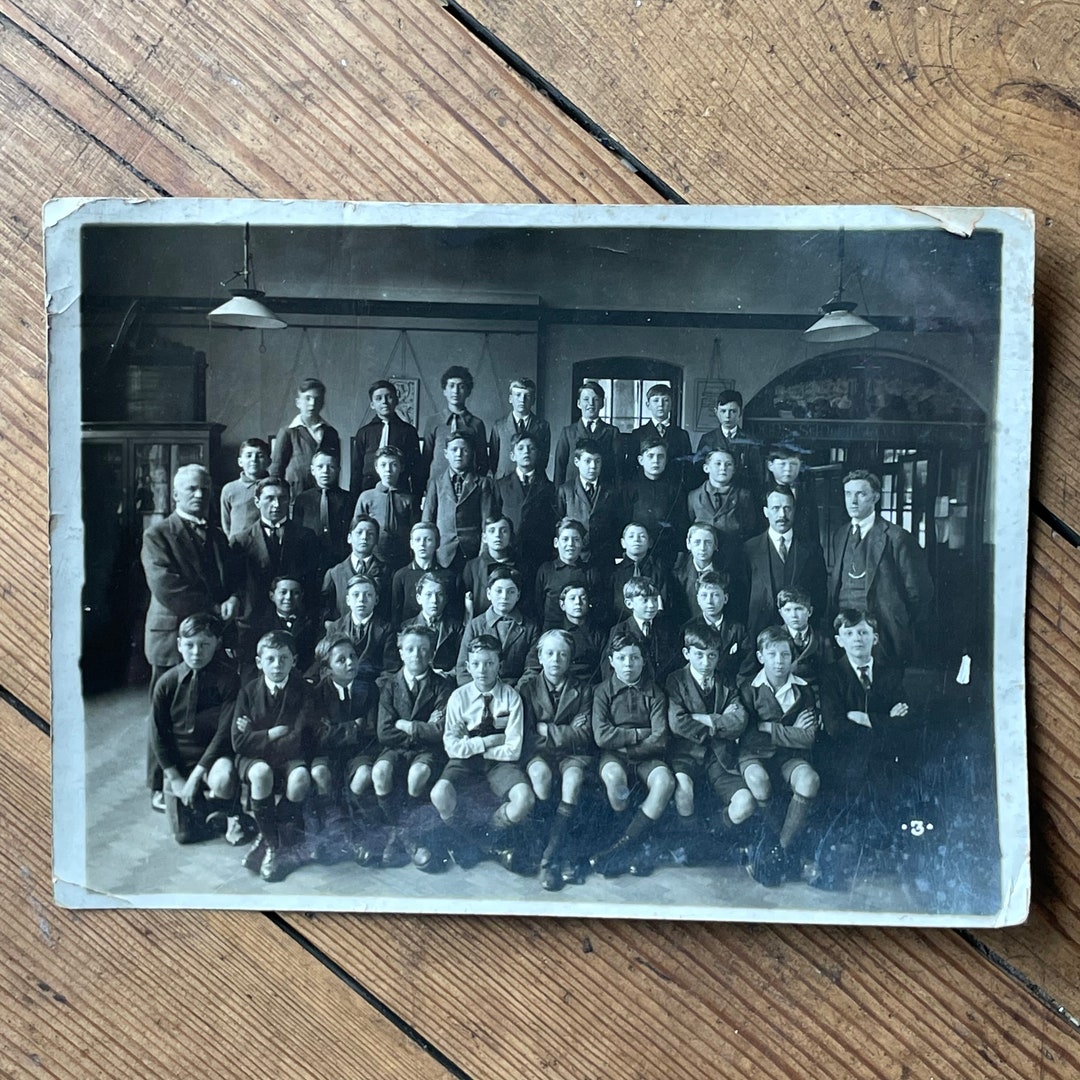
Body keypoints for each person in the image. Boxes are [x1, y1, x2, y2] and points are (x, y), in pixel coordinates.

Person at [141, 463, 239, 804]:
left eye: (205, 490)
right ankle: (159, 784)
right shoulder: (157, 534)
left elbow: (228, 579)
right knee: (163, 712)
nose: (199, 495)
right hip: (171, 638)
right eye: (192, 489)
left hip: (210, 639)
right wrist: (213, 608)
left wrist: (232, 598)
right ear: (175, 494)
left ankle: (201, 776)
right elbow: (167, 586)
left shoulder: (216, 535)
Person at [432, 635, 533, 867]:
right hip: (465, 762)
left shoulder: (511, 697)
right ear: (467, 666)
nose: (482, 670)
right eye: (476, 664)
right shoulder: (459, 698)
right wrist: (489, 742)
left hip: (500, 764)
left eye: (489, 663)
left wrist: (471, 743)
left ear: (500, 665)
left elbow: (513, 749)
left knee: (524, 799)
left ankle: (486, 834)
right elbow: (452, 748)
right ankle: (478, 842)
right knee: (439, 794)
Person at [151, 614, 245, 846]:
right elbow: (158, 735)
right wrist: (175, 778)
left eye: (204, 645)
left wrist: (195, 778)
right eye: (190, 645)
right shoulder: (167, 682)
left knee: (223, 778)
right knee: (185, 836)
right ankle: (206, 809)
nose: (196, 652)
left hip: (212, 757)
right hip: (179, 760)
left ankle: (229, 812)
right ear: (179, 644)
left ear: (217, 644)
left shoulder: (228, 680)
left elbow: (224, 733)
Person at [825, 469, 933, 667]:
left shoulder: (897, 537)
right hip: (845, 632)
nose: (853, 501)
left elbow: (919, 593)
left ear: (875, 497)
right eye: (848, 494)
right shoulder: (840, 534)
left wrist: (896, 622)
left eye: (861, 494)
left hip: (883, 634)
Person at [738, 626, 820, 885]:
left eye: (785, 655)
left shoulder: (803, 690)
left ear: (792, 658)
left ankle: (778, 852)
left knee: (809, 780)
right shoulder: (748, 688)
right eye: (772, 654)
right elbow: (749, 735)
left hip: (790, 757)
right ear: (761, 657)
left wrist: (770, 728)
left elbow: (808, 737)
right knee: (758, 779)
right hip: (754, 755)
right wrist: (790, 730)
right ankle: (781, 850)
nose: (779, 661)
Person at [665, 623, 753, 862]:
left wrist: (704, 720)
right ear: (687, 654)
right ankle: (693, 843)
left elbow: (740, 721)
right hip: (686, 755)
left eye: (712, 656)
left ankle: (705, 837)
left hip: (719, 756)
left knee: (745, 802)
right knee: (683, 792)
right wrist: (720, 722)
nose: (706, 663)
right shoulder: (675, 680)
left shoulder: (726, 681)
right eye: (699, 655)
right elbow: (677, 723)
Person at [590, 632, 674, 877]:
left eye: (634, 658)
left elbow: (659, 738)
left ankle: (623, 847)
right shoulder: (602, 692)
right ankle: (626, 846)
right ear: (611, 661)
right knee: (615, 780)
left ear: (643, 661)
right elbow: (602, 736)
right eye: (622, 658)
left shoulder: (656, 693)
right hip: (614, 756)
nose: (628, 664)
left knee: (665, 781)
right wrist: (639, 734)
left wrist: (628, 744)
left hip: (647, 757)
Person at [231, 630, 313, 883]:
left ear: (294, 660)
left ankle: (267, 839)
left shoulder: (304, 690)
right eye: (271, 659)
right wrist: (272, 732)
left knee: (300, 778)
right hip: (256, 760)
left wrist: (256, 734)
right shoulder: (248, 691)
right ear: (259, 662)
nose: (277, 665)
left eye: (284, 659)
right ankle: (275, 846)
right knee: (261, 773)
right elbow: (238, 741)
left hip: (291, 757)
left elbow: (299, 738)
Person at [517, 629, 595, 890]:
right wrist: (565, 730)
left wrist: (546, 729)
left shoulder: (583, 690)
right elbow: (525, 734)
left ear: (570, 658)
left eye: (562, 654)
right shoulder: (526, 688)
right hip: (537, 754)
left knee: (573, 778)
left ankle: (550, 856)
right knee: (540, 776)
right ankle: (548, 850)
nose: (555, 659)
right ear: (539, 656)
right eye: (549, 653)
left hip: (572, 755)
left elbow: (584, 735)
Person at [375, 625, 454, 870]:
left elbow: (440, 731)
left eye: (423, 650)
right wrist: (420, 729)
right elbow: (384, 731)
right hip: (397, 748)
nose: (416, 655)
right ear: (401, 653)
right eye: (410, 649)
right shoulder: (389, 685)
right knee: (379, 772)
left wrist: (406, 725)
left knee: (417, 774)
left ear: (431, 654)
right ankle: (405, 835)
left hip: (427, 752)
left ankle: (403, 836)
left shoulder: (442, 685)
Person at [307, 633, 379, 866]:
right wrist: (352, 728)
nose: (350, 663)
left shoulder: (369, 690)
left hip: (357, 753)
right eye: (341, 660)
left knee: (364, 775)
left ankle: (356, 829)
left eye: (353, 656)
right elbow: (319, 734)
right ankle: (333, 829)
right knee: (320, 774)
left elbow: (370, 731)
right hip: (326, 754)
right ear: (327, 669)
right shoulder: (316, 694)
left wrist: (340, 731)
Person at [232, 477, 320, 636]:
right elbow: (238, 587)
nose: (277, 504)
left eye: (282, 498)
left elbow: (312, 583)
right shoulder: (241, 541)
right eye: (269, 498)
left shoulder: (306, 537)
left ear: (290, 500)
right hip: (254, 623)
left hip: (295, 623)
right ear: (257, 502)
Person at [743, 485, 826, 638]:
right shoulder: (749, 549)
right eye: (775, 508)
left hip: (801, 635)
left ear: (794, 511)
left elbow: (820, 595)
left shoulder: (811, 548)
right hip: (760, 633)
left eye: (787, 508)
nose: (782, 514)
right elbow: (743, 595)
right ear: (766, 512)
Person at [422, 432, 500, 570]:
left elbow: (486, 521)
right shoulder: (436, 483)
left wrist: (483, 552)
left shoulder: (483, 483)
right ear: (446, 453)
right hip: (443, 553)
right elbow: (427, 520)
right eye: (454, 450)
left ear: (471, 454)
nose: (459, 454)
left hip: (472, 552)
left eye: (464, 450)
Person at [456, 566, 538, 685]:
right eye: (498, 591)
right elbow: (463, 669)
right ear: (489, 594)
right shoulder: (475, 625)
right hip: (480, 691)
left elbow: (532, 670)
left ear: (518, 596)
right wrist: (478, 694)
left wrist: (515, 694)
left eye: (511, 592)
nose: (504, 597)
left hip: (516, 692)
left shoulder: (530, 628)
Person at [494, 431, 559, 574]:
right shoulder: (501, 485)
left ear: (537, 454)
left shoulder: (548, 487)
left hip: (539, 554)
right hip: (510, 553)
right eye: (521, 448)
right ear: (512, 455)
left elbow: (553, 521)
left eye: (531, 448)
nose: (526, 452)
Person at [269, 377, 341, 500]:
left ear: (323, 402)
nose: (312, 404)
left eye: (317, 399)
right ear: (298, 402)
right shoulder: (288, 432)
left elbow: (334, 469)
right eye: (307, 398)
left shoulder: (330, 433)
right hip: (296, 497)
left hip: (324, 497)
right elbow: (276, 470)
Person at [555, 437, 623, 567]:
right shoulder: (565, 490)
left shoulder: (611, 491)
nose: (593, 466)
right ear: (577, 461)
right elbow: (558, 525)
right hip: (576, 558)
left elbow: (617, 525)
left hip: (604, 559)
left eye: (597, 461)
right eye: (587, 461)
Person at [237, 575, 318, 683]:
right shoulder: (258, 625)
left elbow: (317, 657)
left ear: (302, 596)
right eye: (283, 592)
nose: (288, 597)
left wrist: (309, 678)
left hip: (303, 680)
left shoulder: (312, 623)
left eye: (295, 593)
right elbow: (249, 661)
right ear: (272, 596)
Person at [625, 435, 689, 569]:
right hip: (636, 552)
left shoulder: (675, 489)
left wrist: (680, 552)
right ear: (641, 460)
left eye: (661, 456)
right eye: (650, 456)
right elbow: (622, 520)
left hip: (666, 553)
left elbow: (681, 523)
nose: (656, 461)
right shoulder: (630, 487)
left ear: (666, 460)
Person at [323, 573, 394, 692]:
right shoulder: (335, 627)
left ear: (376, 600)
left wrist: (374, 690)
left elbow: (390, 669)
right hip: (341, 687)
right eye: (356, 595)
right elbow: (326, 664)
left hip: (374, 689)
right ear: (348, 600)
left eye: (368, 595)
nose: (362, 599)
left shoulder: (387, 629)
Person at [351, 379, 422, 498]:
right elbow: (356, 470)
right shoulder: (364, 433)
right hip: (369, 491)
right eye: (378, 398)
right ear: (372, 404)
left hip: (400, 493)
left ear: (396, 400)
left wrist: (416, 499)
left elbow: (416, 470)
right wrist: (354, 501)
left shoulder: (408, 431)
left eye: (389, 397)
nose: (384, 402)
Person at [603, 577, 678, 684]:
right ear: (629, 604)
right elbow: (608, 669)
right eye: (645, 600)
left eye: (655, 599)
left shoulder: (667, 628)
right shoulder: (619, 630)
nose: (652, 605)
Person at [422, 365, 489, 484]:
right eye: (451, 386)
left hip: (467, 486)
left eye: (461, 386)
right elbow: (425, 459)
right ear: (444, 391)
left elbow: (482, 461)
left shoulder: (476, 424)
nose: (456, 391)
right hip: (437, 485)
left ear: (468, 391)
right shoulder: (433, 422)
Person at [354, 445, 416, 572]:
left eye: (393, 465)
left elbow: (414, 529)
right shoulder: (366, 497)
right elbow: (357, 529)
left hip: (402, 557)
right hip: (374, 557)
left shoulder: (408, 499)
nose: (388, 470)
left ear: (401, 468)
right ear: (376, 468)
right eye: (383, 465)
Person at [291, 449, 352, 577]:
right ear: (313, 470)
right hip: (309, 558)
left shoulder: (349, 499)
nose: (325, 471)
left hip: (340, 558)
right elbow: (295, 532)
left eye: (331, 467)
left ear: (338, 470)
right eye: (320, 467)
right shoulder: (302, 499)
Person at [684, 570, 749, 687]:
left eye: (715, 595)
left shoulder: (738, 629)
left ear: (725, 598)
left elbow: (746, 666)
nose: (709, 601)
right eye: (704, 595)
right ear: (698, 599)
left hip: (731, 688)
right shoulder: (688, 628)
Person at [322, 514, 390, 623]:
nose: (364, 537)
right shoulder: (334, 573)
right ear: (349, 538)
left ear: (376, 540)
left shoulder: (387, 572)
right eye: (359, 533)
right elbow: (326, 613)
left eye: (370, 534)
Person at [390, 521, 461, 627]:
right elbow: (396, 615)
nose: (422, 544)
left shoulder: (449, 576)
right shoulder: (401, 576)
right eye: (417, 540)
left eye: (428, 539)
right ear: (411, 544)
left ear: (437, 544)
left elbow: (454, 614)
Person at [531, 583, 604, 684]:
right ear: (562, 605)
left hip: (592, 687)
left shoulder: (598, 634)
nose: (578, 602)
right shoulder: (552, 633)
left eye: (582, 598)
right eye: (572, 598)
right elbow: (534, 664)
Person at [534, 518, 600, 628]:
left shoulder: (590, 572)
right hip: (552, 633)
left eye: (576, 539)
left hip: (582, 632)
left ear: (582, 543)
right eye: (565, 539)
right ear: (556, 543)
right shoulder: (546, 570)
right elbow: (538, 606)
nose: (571, 544)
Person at [695, 389, 762, 496]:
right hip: (714, 495)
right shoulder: (708, 439)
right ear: (716, 412)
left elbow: (756, 476)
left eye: (733, 411)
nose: (727, 416)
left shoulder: (750, 441)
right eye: (723, 411)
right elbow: (699, 474)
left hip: (742, 496)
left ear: (741, 412)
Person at [553, 381, 620, 487]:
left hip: (603, 491)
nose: (591, 403)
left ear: (602, 403)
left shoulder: (612, 432)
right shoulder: (568, 432)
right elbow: (560, 467)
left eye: (596, 399)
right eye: (586, 399)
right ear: (579, 404)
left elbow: (617, 468)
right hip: (573, 492)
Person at [396, 572, 464, 676]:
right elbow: (399, 664)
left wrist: (449, 674)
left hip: (447, 680)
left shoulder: (457, 628)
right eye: (428, 594)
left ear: (446, 599)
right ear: (419, 598)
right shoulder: (405, 627)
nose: (434, 600)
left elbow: (462, 663)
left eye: (439, 594)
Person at [688, 447, 759, 546]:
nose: (723, 468)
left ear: (734, 469)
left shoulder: (744, 496)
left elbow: (750, 528)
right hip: (703, 553)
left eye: (728, 464)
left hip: (733, 552)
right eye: (718, 464)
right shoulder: (694, 496)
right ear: (706, 468)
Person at [627, 383, 693, 488]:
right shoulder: (638, 434)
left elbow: (687, 466)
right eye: (656, 400)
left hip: (673, 487)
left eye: (665, 400)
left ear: (672, 404)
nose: (661, 405)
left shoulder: (681, 434)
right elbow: (631, 466)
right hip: (644, 486)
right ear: (648, 404)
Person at [609, 521, 671, 624]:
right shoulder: (614, 573)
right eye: (631, 536)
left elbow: (664, 603)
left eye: (642, 536)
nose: (636, 540)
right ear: (623, 543)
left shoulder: (658, 572)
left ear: (650, 543)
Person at [488, 377, 551, 479]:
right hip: (504, 483)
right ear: (510, 399)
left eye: (527, 396)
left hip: (532, 482)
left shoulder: (543, 426)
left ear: (533, 400)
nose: (522, 400)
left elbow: (543, 460)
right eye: (518, 395)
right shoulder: (499, 426)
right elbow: (493, 459)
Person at [462, 515, 521, 620]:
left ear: (511, 536)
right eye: (492, 531)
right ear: (484, 537)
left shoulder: (522, 566)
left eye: (504, 531)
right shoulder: (472, 567)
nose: (497, 536)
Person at [775, 587, 831, 686]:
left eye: (799, 609)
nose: (794, 615)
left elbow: (829, 674)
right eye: (787, 610)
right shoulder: (774, 637)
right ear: (781, 613)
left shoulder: (822, 639)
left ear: (810, 611)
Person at [764, 445, 819, 543]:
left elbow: (813, 529)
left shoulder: (806, 492)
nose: (788, 469)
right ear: (770, 465)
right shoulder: (762, 493)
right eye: (782, 464)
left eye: (793, 464)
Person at [220, 437, 271, 541]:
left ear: (269, 461)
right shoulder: (230, 489)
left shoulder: (276, 487)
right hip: (240, 546)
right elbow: (226, 524)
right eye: (248, 455)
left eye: (260, 455)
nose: (254, 459)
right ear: (240, 461)